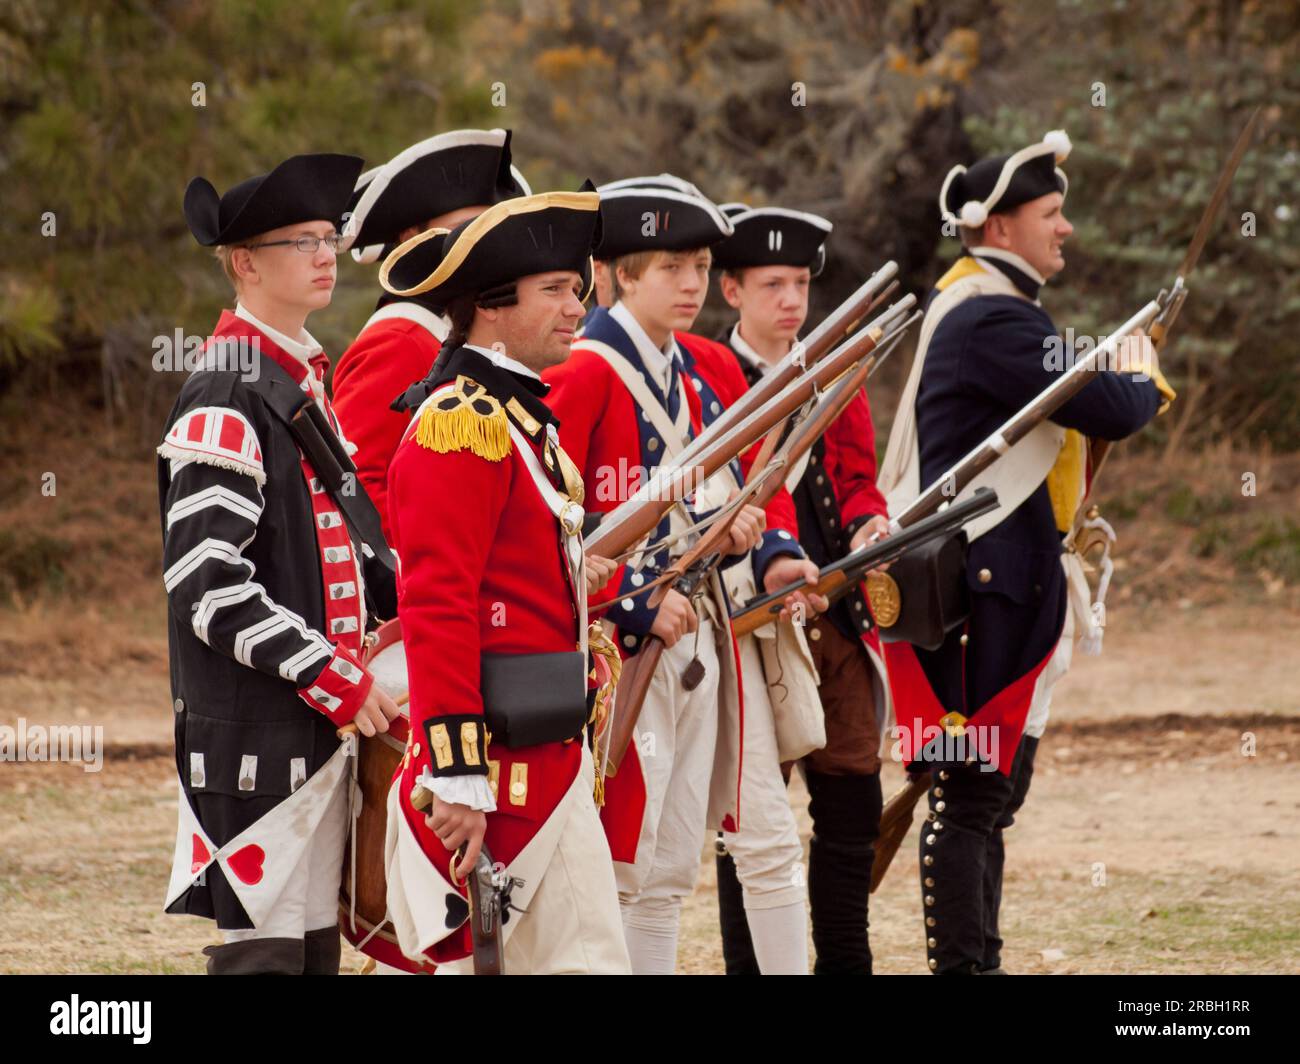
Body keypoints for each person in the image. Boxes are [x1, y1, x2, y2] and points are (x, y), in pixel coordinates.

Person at [877, 130, 1175, 974]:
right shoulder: (991, 317)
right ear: (999, 228)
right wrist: (1142, 365)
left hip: (1000, 589)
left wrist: (1119, 363)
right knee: (972, 798)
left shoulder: (1000, 310)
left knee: (990, 797)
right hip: (980, 594)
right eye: (1051, 213)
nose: (1067, 227)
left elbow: (1084, 385)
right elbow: (1112, 405)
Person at [544, 176, 812, 974]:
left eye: (699, 265)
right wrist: (628, 612)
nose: (693, 284)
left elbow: (696, 500)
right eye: (669, 267)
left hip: (696, 633)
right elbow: (557, 527)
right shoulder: (586, 373)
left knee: (667, 869)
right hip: (624, 649)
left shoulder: (690, 373)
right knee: (629, 865)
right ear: (619, 275)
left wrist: (733, 530)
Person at [376, 186, 631, 974]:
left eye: (577, 287)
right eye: (554, 290)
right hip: (493, 768)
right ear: (490, 307)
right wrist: (455, 775)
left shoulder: (519, 421)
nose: (575, 305)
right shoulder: (465, 422)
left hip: (549, 756)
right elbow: (438, 604)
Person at [160, 153, 401, 974]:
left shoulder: (294, 377)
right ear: (245, 263)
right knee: (263, 962)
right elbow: (208, 583)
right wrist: (334, 677)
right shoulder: (227, 390)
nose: (325, 254)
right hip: (256, 735)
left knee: (310, 956)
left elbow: (334, 548)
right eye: (301, 241)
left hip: (309, 725)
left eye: (328, 237)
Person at [708, 201, 896, 974]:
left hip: (837, 614)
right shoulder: (706, 375)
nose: (791, 300)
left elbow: (854, 478)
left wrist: (870, 526)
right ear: (732, 292)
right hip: (754, 623)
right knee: (750, 819)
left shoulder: (830, 369)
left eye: (800, 285)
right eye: (772, 284)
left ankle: (845, 959)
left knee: (852, 801)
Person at [332, 129, 529, 538]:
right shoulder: (398, 339)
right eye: (464, 229)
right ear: (411, 239)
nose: (479, 245)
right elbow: (358, 487)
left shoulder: (458, 329)